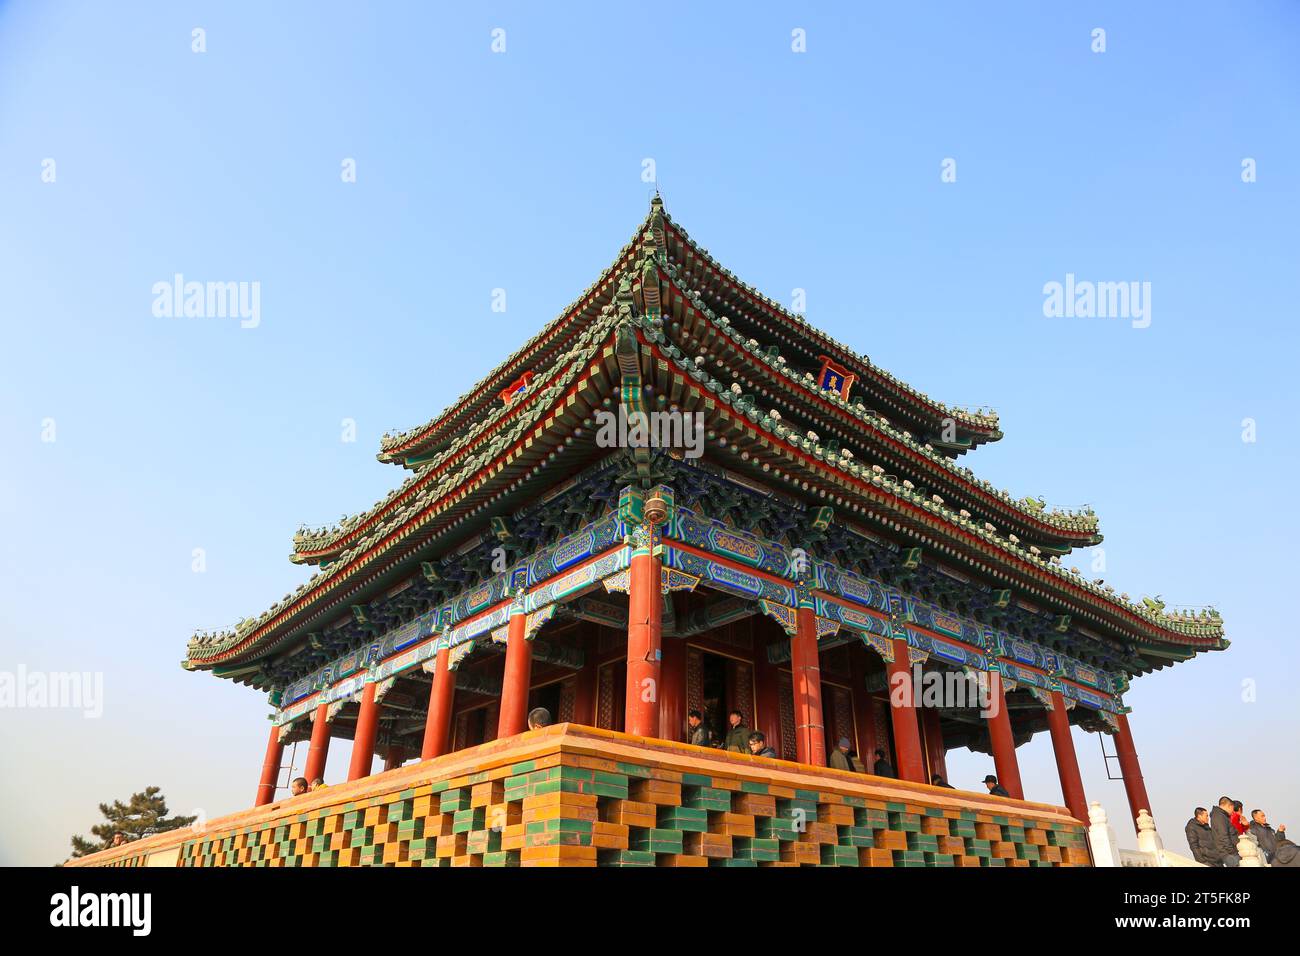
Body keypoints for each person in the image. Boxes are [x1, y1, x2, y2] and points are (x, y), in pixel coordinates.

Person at [1209, 796, 1241, 867]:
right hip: (1229, 854)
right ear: (1229, 806)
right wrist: (1232, 851)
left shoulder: (1222, 816)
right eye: (1232, 809)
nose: (1233, 812)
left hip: (1231, 852)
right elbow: (1223, 836)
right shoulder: (1219, 816)